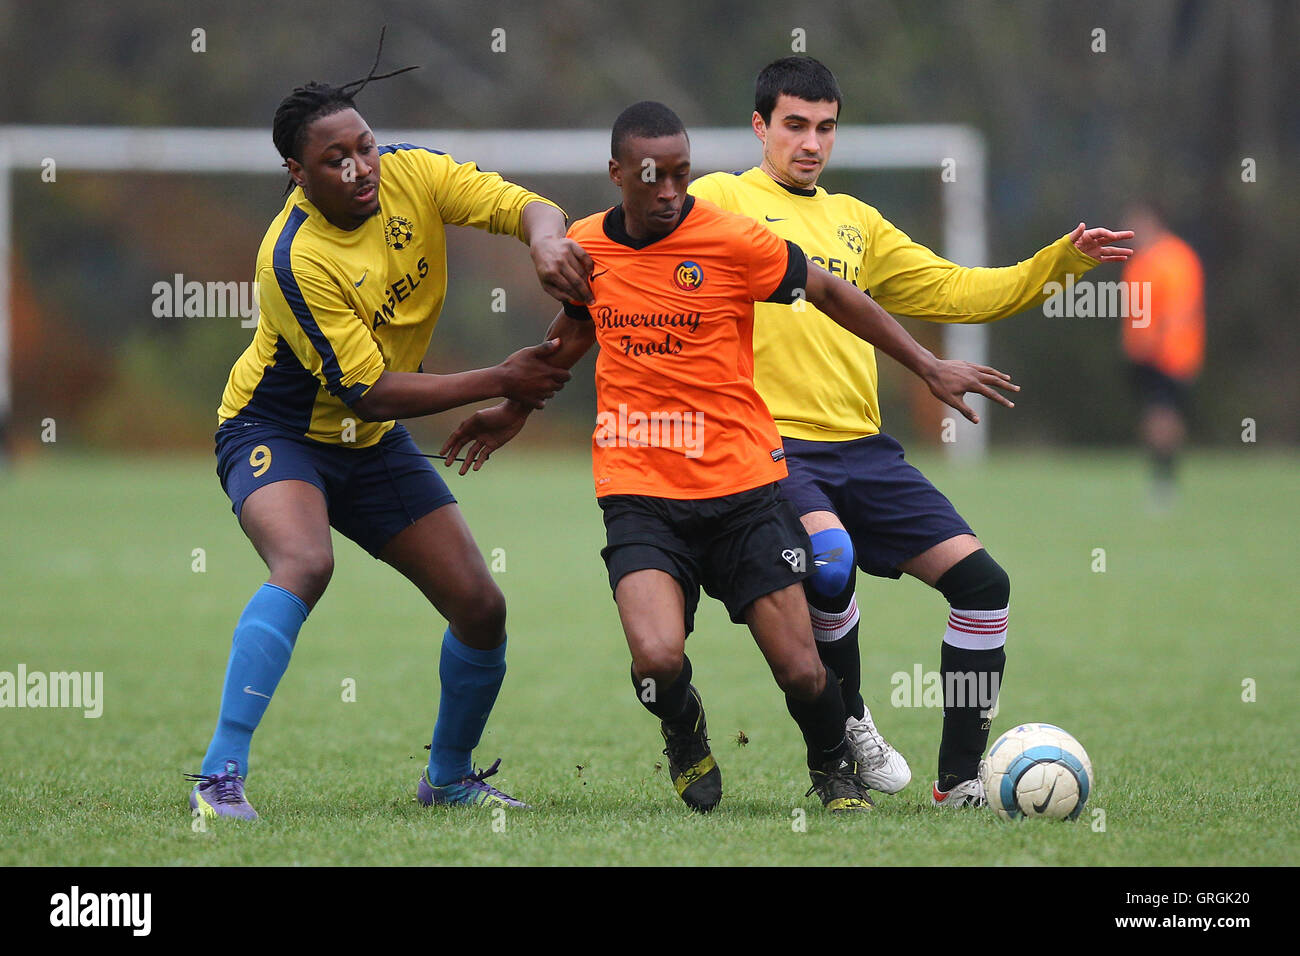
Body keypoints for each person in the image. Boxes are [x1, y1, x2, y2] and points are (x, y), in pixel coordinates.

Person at [441, 101, 1018, 814]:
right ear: (616, 173)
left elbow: (833, 291)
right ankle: (685, 730)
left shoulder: (730, 240)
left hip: (744, 486)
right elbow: (567, 340)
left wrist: (927, 364)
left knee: (805, 673)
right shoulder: (588, 249)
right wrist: (512, 407)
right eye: (652, 177)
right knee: (655, 664)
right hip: (640, 486)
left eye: (681, 174)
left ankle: (832, 760)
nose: (669, 191)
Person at [686, 56, 1135, 806]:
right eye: (794, 125)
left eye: (825, 128)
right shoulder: (718, 199)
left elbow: (958, 289)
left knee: (984, 587)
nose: (811, 143)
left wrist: (1061, 263)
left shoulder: (855, 223)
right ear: (759, 126)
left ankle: (958, 780)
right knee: (831, 560)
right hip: (769, 446)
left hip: (863, 448)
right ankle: (849, 719)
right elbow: (651, 250)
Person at [186, 57, 591, 820]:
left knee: (480, 605)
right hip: (276, 432)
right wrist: (501, 378)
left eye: (364, 146)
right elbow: (367, 391)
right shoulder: (292, 258)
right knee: (305, 562)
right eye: (334, 159)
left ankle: (446, 777)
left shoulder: (415, 175)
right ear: (296, 173)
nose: (358, 167)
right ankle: (219, 777)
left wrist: (544, 241)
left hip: (367, 446)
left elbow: (526, 205)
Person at [1120, 202, 1204, 507]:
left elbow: (1180, 309)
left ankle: (1164, 480)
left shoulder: (1175, 258)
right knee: (1156, 416)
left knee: (1162, 416)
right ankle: (1161, 478)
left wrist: (1158, 344)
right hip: (1145, 356)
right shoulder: (1141, 261)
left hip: (1171, 356)